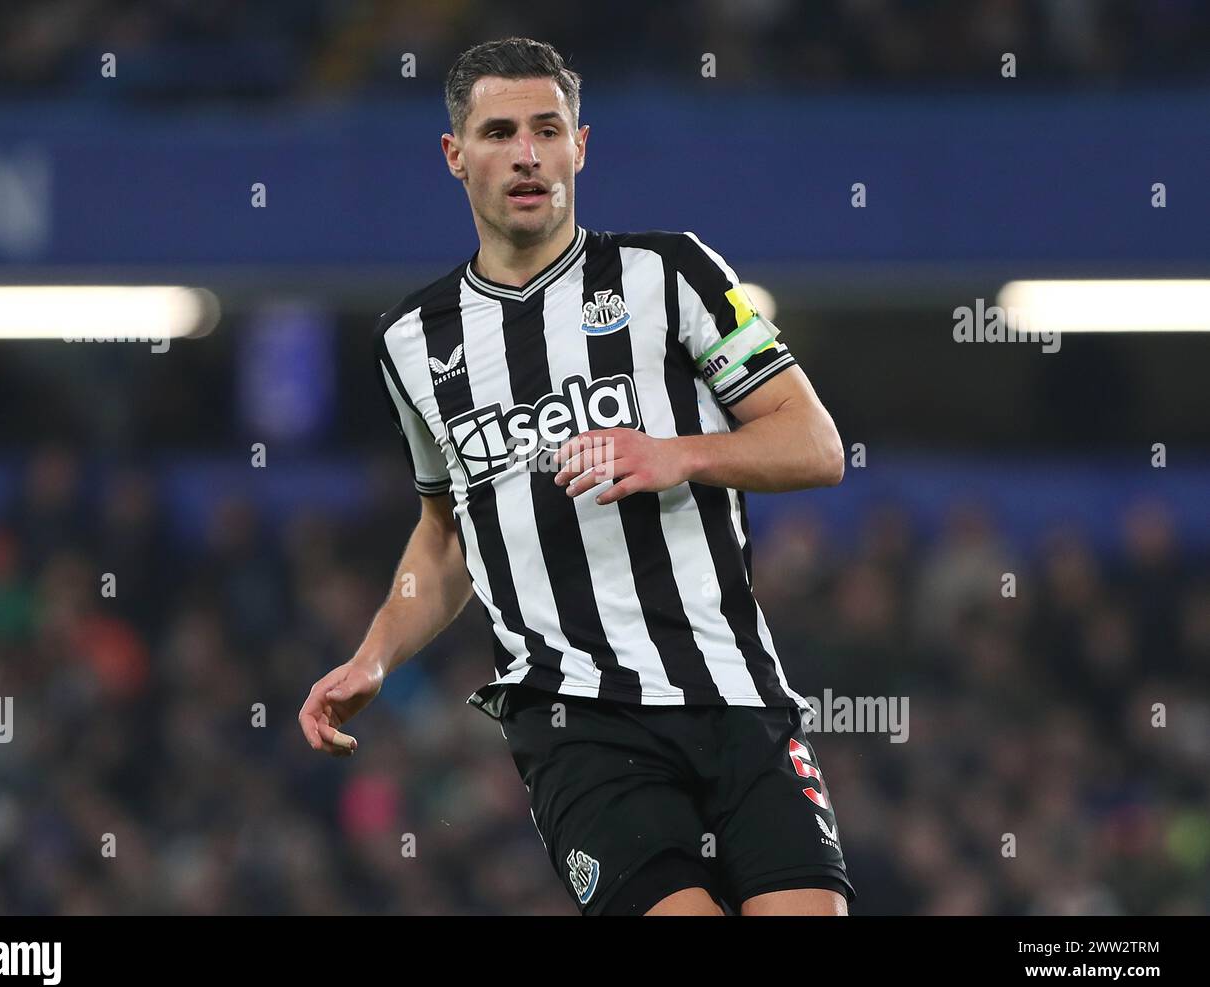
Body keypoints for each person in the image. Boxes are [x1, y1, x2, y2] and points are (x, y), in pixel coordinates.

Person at [300, 37, 853, 916]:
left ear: (579, 146)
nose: (526, 153)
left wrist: (674, 453)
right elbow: (448, 528)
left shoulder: (675, 274)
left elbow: (815, 444)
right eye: (499, 131)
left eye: (547, 129)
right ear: (456, 154)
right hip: (578, 723)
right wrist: (374, 655)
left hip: (737, 694)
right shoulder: (412, 342)